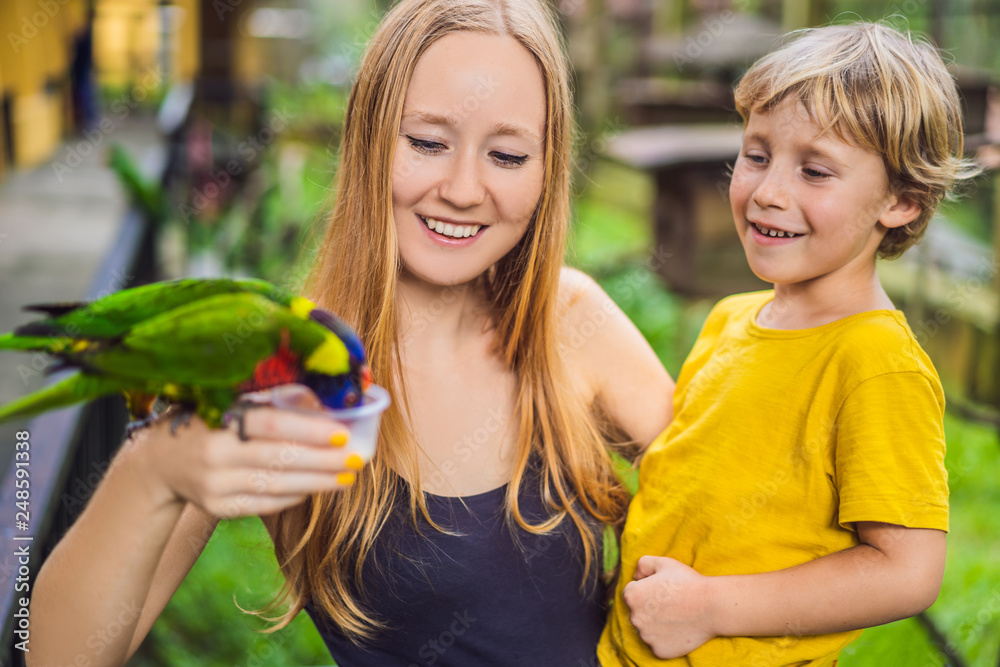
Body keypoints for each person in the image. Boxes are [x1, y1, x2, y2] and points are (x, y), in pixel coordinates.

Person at [28, 0, 674, 665]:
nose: (462, 187)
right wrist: (151, 471)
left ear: (546, 172)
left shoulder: (570, 323)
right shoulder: (281, 368)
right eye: (427, 142)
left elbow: (730, 499)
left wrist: (704, 600)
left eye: (507, 155)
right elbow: (59, 656)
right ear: (368, 138)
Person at [598, 21, 981, 667]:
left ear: (902, 202)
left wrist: (711, 606)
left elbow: (907, 572)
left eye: (815, 170)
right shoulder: (731, 319)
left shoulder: (875, 363)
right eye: (756, 154)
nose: (769, 192)